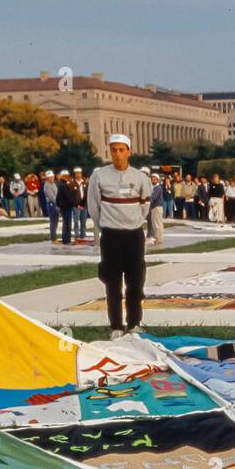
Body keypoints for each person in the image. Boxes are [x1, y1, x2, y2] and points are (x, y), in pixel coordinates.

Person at [87, 134, 151, 339]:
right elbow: (93, 206)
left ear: (129, 151)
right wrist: (104, 227)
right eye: (113, 149)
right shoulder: (99, 176)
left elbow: (145, 206)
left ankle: (134, 323)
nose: (117, 154)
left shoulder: (140, 178)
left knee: (136, 281)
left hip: (133, 236)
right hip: (111, 236)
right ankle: (116, 325)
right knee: (112, 282)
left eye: (121, 149)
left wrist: (132, 222)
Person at [147, 171, 165, 249]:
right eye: (152, 179)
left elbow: (153, 198)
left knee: (158, 224)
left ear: (157, 180)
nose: (153, 180)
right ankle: (157, 238)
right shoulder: (153, 187)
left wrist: (146, 201)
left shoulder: (158, 188)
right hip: (154, 207)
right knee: (155, 224)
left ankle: (159, 239)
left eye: (154, 179)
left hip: (157, 207)